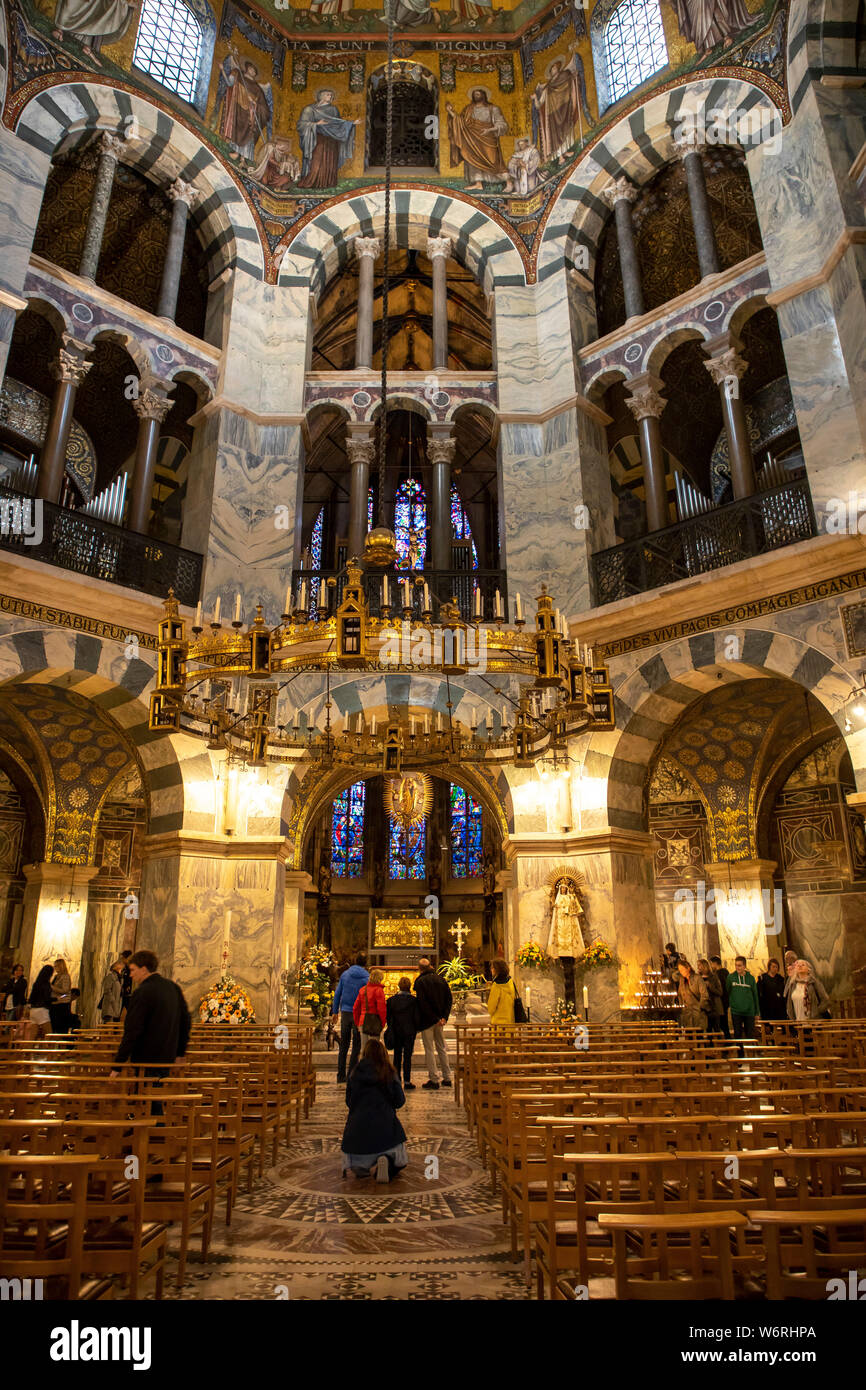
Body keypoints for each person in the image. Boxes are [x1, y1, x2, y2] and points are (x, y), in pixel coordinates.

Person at [109, 950, 191, 1094]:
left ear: (144, 969)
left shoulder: (142, 992)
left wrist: (117, 1065)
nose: (131, 975)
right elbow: (186, 1022)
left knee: (145, 1099)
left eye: (133, 970)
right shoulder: (173, 988)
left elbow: (132, 1031)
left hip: (145, 1059)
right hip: (167, 1056)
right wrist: (180, 1053)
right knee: (156, 1097)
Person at [341, 1038, 408, 1183]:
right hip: (385, 1134)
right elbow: (400, 1101)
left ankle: (360, 1167)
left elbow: (349, 1102)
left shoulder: (354, 1073)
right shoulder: (389, 1072)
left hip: (357, 1138)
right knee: (400, 1160)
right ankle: (386, 1162)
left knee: (359, 1165)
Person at [446, 88, 508, 190]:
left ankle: (508, 181)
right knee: (472, 159)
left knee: (493, 162)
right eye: (474, 94)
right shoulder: (468, 109)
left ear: (484, 95)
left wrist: (490, 130)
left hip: (488, 138)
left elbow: (501, 123)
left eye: (478, 94)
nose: (476, 96)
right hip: (471, 139)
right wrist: (450, 111)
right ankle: (478, 183)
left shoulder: (493, 108)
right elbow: (460, 122)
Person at [297, 90, 358, 190]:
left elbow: (338, 123)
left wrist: (351, 123)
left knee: (330, 161)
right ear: (321, 96)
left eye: (331, 95)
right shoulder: (310, 109)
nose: (330, 96)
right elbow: (301, 125)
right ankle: (312, 181)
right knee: (316, 161)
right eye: (328, 95)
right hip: (317, 139)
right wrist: (316, 124)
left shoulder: (333, 109)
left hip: (331, 140)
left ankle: (328, 182)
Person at [414, 956, 453, 1090]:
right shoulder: (441, 979)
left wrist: (435, 1018)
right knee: (441, 1048)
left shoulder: (420, 982)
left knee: (429, 1049)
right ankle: (447, 1077)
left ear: (420, 969)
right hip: (440, 1021)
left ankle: (434, 1079)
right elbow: (449, 999)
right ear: (430, 966)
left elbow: (422, 1003)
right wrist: (444, 1017)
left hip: (427, 1021)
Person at [331, 952, 370, 1083]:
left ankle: (340, 1075)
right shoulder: (366, 977)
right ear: (365, 963)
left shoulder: (345, 974)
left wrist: (335, 1011)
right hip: (358, 1013)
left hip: (346, 1012)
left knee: (344, 1044)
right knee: (356, 1045)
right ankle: (351, 1075)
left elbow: (338, 993)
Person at [386, 976, 421, 1090]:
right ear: (410, 986)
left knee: (397, 1056)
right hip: (409, 1031)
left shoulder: (391, 1000)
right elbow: (416, 1016)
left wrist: (391, 1027)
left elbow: (388, 1017)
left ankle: (396, 1080)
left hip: (396, 1030)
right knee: (407, 1056)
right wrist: (416, 1027)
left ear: (399, 986)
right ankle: (407, 1081)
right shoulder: (414, 1001)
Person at [728, 955, 760, 1042]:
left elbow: (755, 995)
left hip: (749, 1011)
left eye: (739, 965)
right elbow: (728, 991)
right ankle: (740, 1050)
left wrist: (757, 1012)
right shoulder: (730, 977)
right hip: (736, 1011)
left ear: (744, 966)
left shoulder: (751, 978)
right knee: (737, 1035)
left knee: (750, 1035)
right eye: (736, 965)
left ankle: (750, 1050)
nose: (737, 967)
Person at [353, 969, 387, 1039]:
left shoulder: (363, 989)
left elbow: (355, 1007)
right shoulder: (379, 990)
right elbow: (381, 1009)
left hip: (362, 1021)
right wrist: (383, 1022)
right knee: (373, 1044)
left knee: (364, 1045)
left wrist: (357, 1022)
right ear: (380, 979)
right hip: (374, 1022)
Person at [677, 958, 708, 1029]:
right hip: (687, 1012)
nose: (681, 972)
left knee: (698, 1031)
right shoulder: (682, 981)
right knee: (689, 1031)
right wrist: (682, 1006)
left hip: (697, 1011)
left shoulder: (697, 978)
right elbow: (680, 994)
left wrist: (700, 1007)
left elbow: (704, 994)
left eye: (682, 969)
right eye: (680, 970)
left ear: (688, 968)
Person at [486, 957, 517, 1024]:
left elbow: (491, 1008)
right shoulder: (510, 981)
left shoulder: (496, 985)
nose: (491, 970)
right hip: (510, 1020)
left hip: (499, 1023)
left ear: (496, 969)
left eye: (492, 968)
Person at [697, 957, 723, 1033]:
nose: (698, 967)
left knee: (716, 1027)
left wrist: (710, 987)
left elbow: (720, 992)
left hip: (713, 1006)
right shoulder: (698, 978)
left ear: (704, 966)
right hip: (703, 1006)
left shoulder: (714, 977)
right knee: (706, 1028)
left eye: (699, 965)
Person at [28, 964, 54, 1038]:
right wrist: (55, 999)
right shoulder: (46, 984)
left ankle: (28, 1046)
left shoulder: (36, 983)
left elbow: (31, 998)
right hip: (42, 1010)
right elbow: (46, 998)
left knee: (32, 1035)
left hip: (33, 1010)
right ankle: (47, 1045)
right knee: (49, 1034)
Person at [709, 955, 730, 1038]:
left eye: (711, 964)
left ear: (715, 963)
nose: (711, 966)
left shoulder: (718, 974)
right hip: (726, 1000)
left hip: (721, 1001)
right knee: (724, 1022)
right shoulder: (726, 973)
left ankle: (726, 1039)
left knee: (722, 1023)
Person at [50, 957, 72, 1034]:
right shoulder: (56, 976)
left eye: (56, 966)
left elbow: (65, 990)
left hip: (62, 1003)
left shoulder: (65, 976)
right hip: (55, 1003)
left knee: (61, 1026)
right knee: (53, 1025)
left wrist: (52, 987)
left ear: (61, 966)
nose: (55, 968)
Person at [99, 959, 124, 1023]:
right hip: (109, 1005)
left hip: (116, 1006)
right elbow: (107, 990)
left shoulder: (120, 978)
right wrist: (112, 999)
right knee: (108, 1022)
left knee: (113, 1023)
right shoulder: (110, 976)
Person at [119, 950, 133, 1017]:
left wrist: (128, 986)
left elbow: (129, 979)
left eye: (123, 958)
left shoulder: (130, 968)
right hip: (122, 993)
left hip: (127, 994)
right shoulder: (125, 968)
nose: (122, 960)